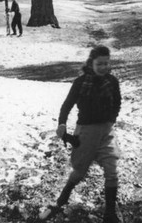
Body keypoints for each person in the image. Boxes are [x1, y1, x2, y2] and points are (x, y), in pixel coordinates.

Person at [41, 45, 122, 223]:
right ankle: (62, 199)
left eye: (106, 64)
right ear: (91, 63)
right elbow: (67, 105)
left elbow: (117, 102)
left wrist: (112, 119)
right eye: (99, 63)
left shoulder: (113, 81)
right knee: (79, 172)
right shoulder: (80, 83)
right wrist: (62, 123)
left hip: (107, 131)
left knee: (112, 169)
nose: (103, 67)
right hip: (85, 132)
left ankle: (110, 214)